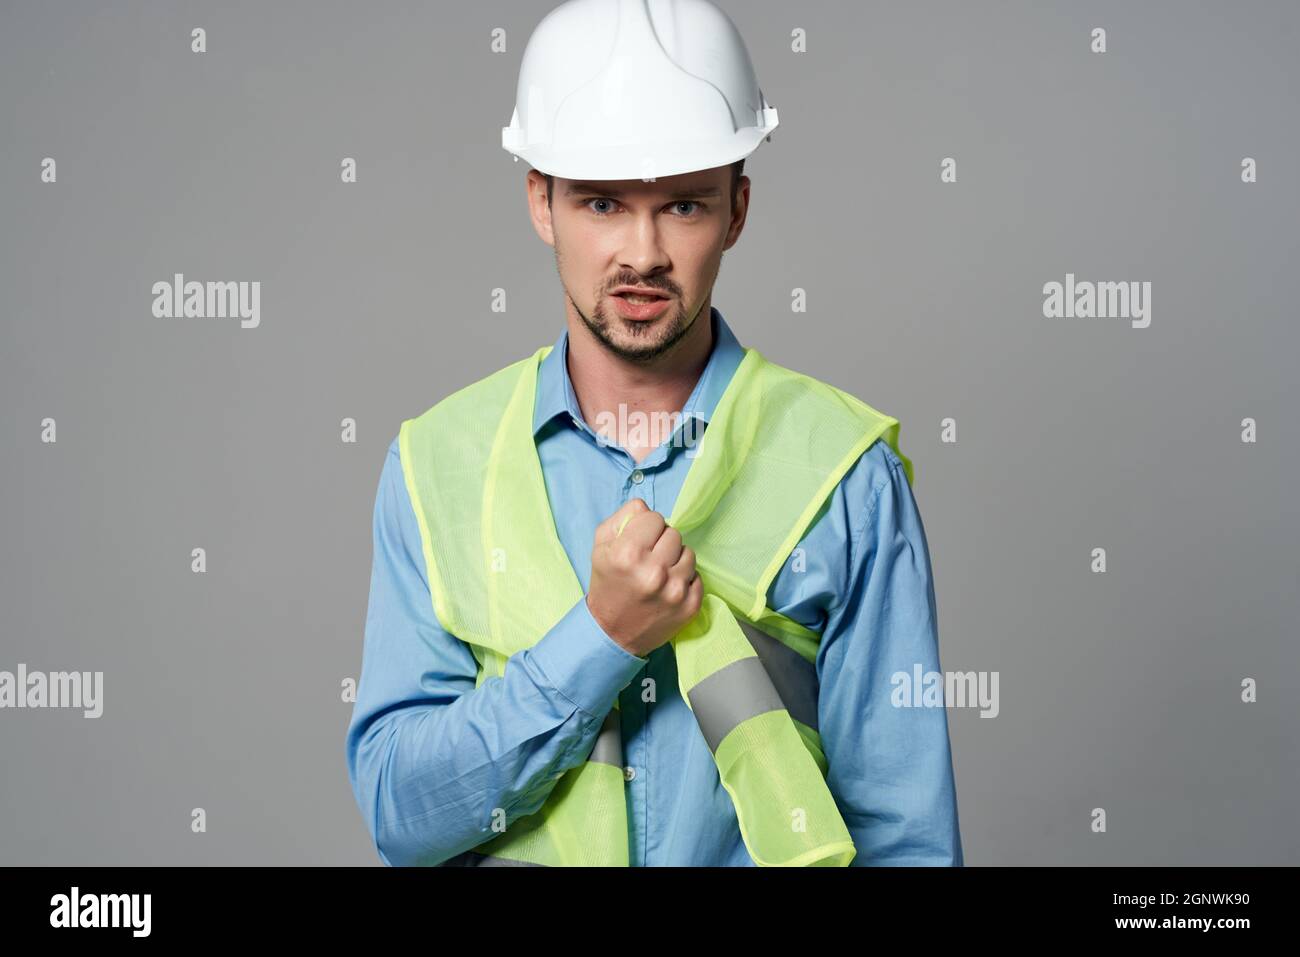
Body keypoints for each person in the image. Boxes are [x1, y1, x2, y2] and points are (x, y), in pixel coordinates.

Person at [345, 0, 963, 866]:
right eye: (602, 202)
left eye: (682, 206)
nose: (641, 253)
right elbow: (404, 816)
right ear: (541, 202)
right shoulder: (434, 467)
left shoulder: (844, 475)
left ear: (737, 210)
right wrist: (597, 638)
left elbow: (907, 842)